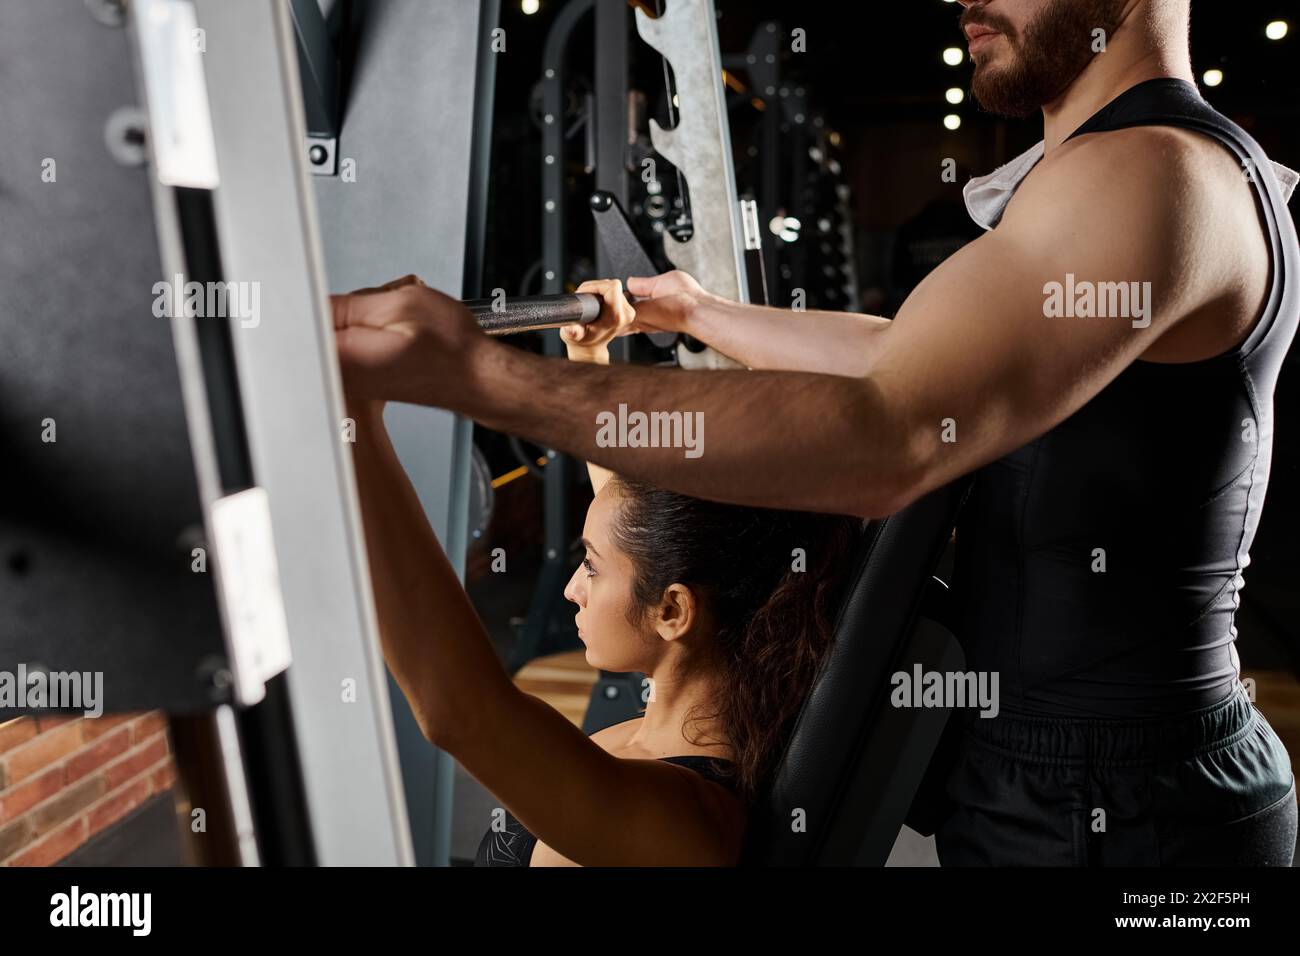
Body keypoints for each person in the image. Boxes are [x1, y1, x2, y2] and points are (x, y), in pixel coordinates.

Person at [332, 0, 1298, 864]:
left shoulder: (1151, 172)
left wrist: (475, 375)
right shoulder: (1092, 171)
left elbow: (892, 430)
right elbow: (905, 355)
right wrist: (700, 311)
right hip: (1054, 779)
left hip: (1124, 808)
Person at [346, 279, 860, 865]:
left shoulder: (683, 822)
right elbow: (636, 528)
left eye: (588, 568)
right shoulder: (693, 740)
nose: (572, 588)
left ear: (672, 611)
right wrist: (589, 355)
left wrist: (355, 417)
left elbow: (461, 712)